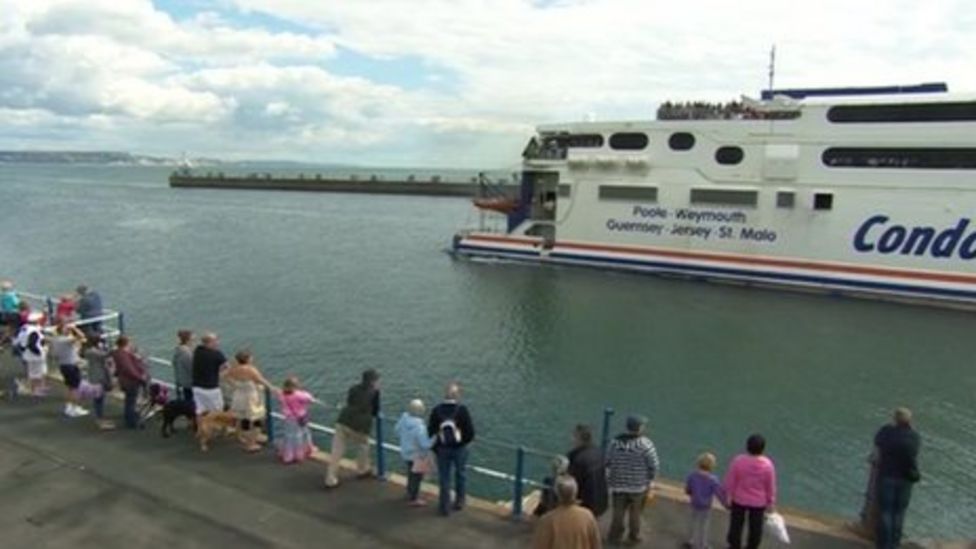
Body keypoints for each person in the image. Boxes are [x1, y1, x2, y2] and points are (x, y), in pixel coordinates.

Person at [606, 415, 659, 545]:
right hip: (638, 486)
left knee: (618, 514)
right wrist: (651, 480)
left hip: (618, 484)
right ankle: (633, 536)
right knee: (635, 515)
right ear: (639, 428)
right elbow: (654, 465)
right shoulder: (645, 444)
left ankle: (614, 536)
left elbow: (607, 461)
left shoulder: (615, 443)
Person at [874, 408, 921, 549]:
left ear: (895, 419)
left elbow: (877, 440)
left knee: (886, 512)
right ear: (910, 421)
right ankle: (895, 544)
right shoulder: (914, 437)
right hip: (905, 479)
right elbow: (914, 453)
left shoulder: (887, 432)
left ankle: (884, 545)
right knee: (899, 512)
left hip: (887, 475)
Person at [325, 369, 381, 488]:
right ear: (372, 381)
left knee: (337, 451)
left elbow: (350, 401)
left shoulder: (353, 388)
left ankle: (330, 478)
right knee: (363, 446)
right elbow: (375, 410)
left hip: (343, 419)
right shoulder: (375, 392)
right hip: (359, 425)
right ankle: (362, 470)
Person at [427, 382, 476, 516]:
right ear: (457, 395)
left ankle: (444, 506)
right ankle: (459, 501)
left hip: (443, 449)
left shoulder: (437, 410)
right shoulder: (462, 410)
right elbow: (470, 432)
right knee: (460, 474)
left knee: (444, 478)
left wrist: (436, 447)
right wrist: (465, 442)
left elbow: (431, 430)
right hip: (460, 448)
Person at [723, 434, 777, 549]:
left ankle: (734, 545)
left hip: (739, 499)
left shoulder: (738, 461)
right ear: (762, 449)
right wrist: (770, 503)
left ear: (747, 446)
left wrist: (728, 496)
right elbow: (770, 486)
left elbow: (730, 481)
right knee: (756, 528)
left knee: (736, 525)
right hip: (758, 502)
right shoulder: (768, 465)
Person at [222, 350, 274, 452]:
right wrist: (273, 388)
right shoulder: (250, 369)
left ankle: (243, 439)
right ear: (248, 359)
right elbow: (261, 380)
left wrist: (234, 385)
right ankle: (251, 444)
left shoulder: (234, 369)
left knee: (243, 419)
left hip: (239, 395)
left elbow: (223, 376)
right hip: (250, 397)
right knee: (256, 420)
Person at [532, 476, 603, 549]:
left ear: (557, 494)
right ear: (575, 492)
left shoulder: (548, 520)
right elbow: (596, 544)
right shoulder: (588, 516)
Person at [394, 399, 435, 506]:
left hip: (406, 452)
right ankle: (413, 498)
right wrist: (434, 438)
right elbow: (425, 444)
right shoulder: (420, 428)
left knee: (411, 474)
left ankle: (409, 492)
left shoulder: (404, 419)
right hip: (417, 456)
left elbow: (397, 430)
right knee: (416, 477)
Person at [49, 317, 89, 417]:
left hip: (63, 365)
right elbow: (82, 336)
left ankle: (70, 407)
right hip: (71, 365)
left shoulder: (55, 339)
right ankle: (73, 408)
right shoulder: (66, 340)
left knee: (71, 388)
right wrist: (74, 328)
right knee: (75, 388)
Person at [567, 424, 609, 518]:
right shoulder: (599, 453)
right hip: (601, 502)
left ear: (579, 438)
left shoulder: (576, 457)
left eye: (574, 436)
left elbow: (571, 482)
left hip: (584, 504)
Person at [685, 452, 724, 549]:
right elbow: (719, 493)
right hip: (706, 506)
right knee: (704, 525)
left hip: (694, 502)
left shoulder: (692, 475)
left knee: (692, 522)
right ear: (712, 466)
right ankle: (703, 545)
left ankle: (690, 540)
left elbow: (688, 489)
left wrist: (690, 493)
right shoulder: (713, 480)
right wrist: (726, 503)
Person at [110, 335, 147, 429]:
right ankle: (131, 422)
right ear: (126, 343)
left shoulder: (117, 353)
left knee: (129, 400)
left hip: (124, 380)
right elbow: (129, 369)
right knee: (131, 401)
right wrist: (140, 378)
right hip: (131, 381)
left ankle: (129, 418)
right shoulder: (124, 355)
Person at [277, 376, 317, 464]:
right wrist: (303, 392)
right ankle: (299, 455)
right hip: (300, 417)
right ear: (295, 386)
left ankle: (288, 456)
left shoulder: (282, 395)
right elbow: (308, 398)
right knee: (300, 434)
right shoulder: (299, 395)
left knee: (289, 436)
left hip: (288, 418)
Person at [82, 336, 115, 430]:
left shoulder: (89, 350)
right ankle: (100, 420)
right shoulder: (92, 352)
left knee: (99, 399)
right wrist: (111, 349)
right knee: (98, 400)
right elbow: (105, 355)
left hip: (96, 377)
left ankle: (101, 419)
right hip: (97, 378)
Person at [191, 332, 228, 418]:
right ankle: (216, 429)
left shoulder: (198, 350)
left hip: (197, 387)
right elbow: (226, 367)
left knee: (200, 411)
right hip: (211, 388)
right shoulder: (217, 354)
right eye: (215, 341)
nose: (217, 343)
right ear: (211, 342)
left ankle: (200, 429)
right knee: (218, 411)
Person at [14, 312, 48, 397]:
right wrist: (39, 352)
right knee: (36, 373)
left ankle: (37, 388)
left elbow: (18, 341)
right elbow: (32, 344)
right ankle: (35, 390)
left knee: (34, 372)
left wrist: (23, 349)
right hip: (35, 354)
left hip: (27, 354)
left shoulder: (24, 328)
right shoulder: (34, 331)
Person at [171, 330, 194, 403]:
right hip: (189, 384)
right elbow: (192, 369)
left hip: (181, 382)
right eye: (193, 340)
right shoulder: (187, 354)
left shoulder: (178, 351)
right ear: (188, 340)